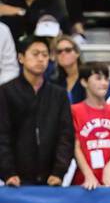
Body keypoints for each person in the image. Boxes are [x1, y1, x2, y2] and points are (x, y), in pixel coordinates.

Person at [0, 34, 72, 186]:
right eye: (35, 54)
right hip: (15, 180)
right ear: (21, 58)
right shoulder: (6, 92)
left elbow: (66, 135)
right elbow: (2, 135)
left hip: (52, 179)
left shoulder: (59, 94)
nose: (40, 59)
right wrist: (8, 173)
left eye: (45, 55)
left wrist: (59, 171)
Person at [69, 61, 110, 187]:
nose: (104, 83)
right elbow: (75, 146)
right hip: (83, 181)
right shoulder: (74, 110)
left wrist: (109, 168)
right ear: (84, 82)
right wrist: (88, 175)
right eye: (98, 78)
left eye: (106, 79)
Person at [51, 33, 85, 102]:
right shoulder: (54, 82)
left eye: (68, 50)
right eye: (59, 51)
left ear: (77, 53)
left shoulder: (88, 77)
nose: (63, 53)